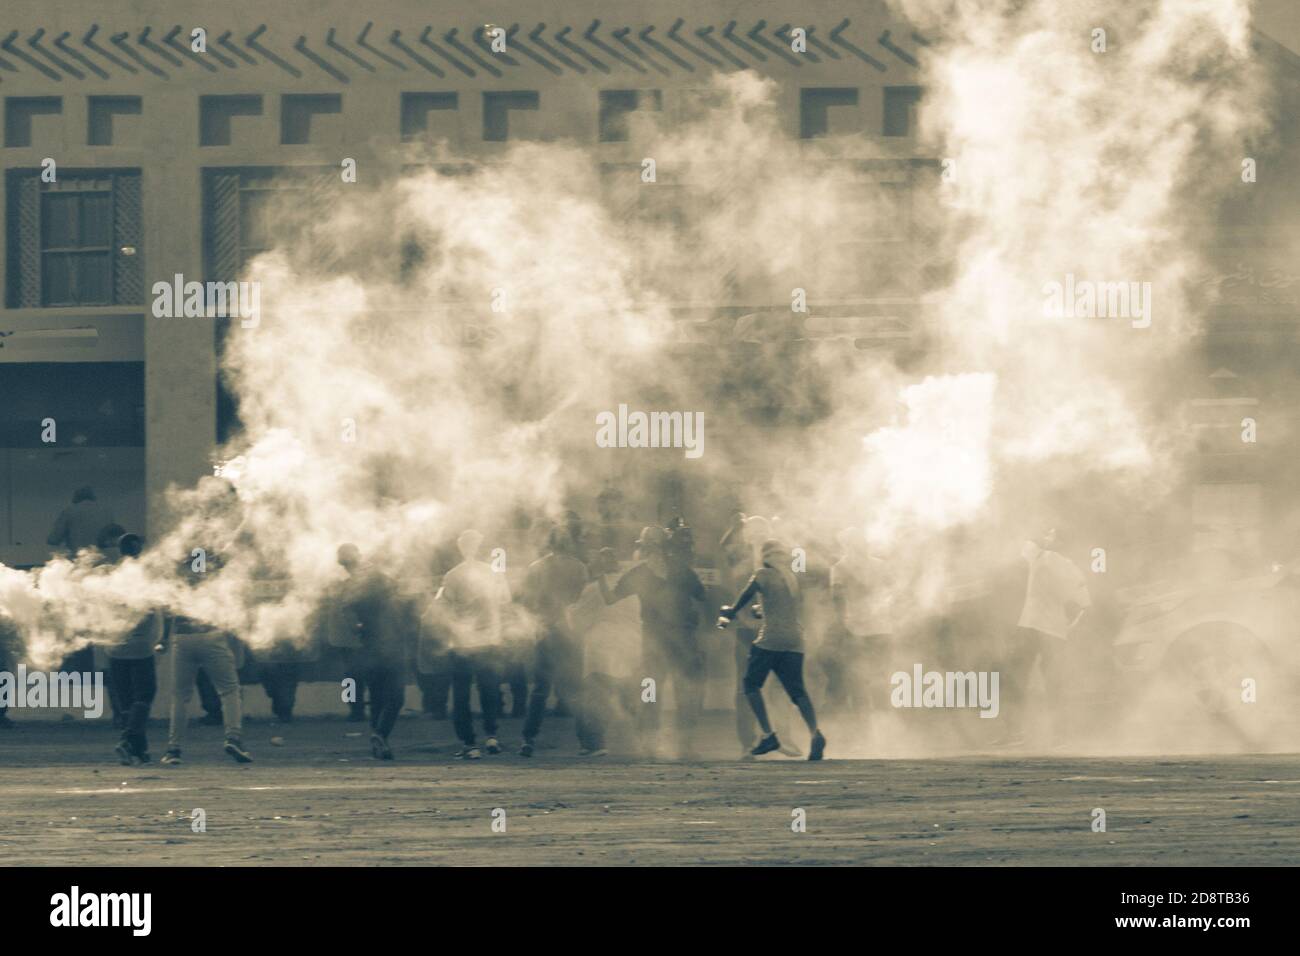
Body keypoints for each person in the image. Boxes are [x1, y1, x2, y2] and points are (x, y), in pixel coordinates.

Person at [597, 526, 708, 758]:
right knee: (683, 691)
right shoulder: (681, 570)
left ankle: (650, 742)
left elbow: (610, 599)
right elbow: (702, 596)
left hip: (656, 640)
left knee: (651, 690)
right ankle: (685, 744)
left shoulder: (639, 574)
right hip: (682, 639)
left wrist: (599, 576)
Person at [719, 538, 827, 761]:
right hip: (795, 639)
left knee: (750, 684)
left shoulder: (762, 575)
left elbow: (743, 598)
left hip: (771, 638)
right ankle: (815, 733)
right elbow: (781, 605)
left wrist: (730, 612)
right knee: (797, 691)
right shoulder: (792, 578)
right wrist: (762, 610)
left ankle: (769, 735)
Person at [1001, 528, 1090, 747]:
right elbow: (1084, 604)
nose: (1048, 538)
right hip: (1050, 630)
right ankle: (1053, 735)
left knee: (1023, 677)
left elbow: (1084, 603)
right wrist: (1072, 625)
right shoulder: (1067, 566)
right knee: (1050, 682)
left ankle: (1021, 733)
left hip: (1035, 627)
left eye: (1052, 535)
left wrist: (1073, 623)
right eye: (1048, 534)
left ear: (1059, 541)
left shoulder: (1043, 556)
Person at [160, 571, 253, 766]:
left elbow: (168, 609)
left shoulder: (177, 570)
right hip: (210, 635)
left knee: (180, 696)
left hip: (182, 637)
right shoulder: (212, 570)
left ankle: (173, 749)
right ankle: (233, 737)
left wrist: (163, 639)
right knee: (229, 690)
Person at [434, 529, 511, 759]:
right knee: (489, 690)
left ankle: (469, 743)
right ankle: (492, 736)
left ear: (460, 548)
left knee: (461, 694)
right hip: (489, 639)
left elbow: (443, 607)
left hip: (463, 641)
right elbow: (505, 600)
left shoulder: (452, 576)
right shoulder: (493, 573)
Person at [518, 526, 589, 756]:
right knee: (577, 689)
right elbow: (582, 600)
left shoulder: (536, 568)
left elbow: (526, 602)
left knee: (540, 689)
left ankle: (528, 739)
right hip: (569, 631)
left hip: (545, 631)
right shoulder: (578, 567)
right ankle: (587, 742)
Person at [337, 543, 408, 760]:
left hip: (367, 647)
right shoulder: (377, 577)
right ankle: (380, 734)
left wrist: (358, 631)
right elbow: (397, 597)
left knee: (374, 695)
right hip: (391, 645)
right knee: (395, 697)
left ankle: (374, 735)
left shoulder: (349, 587)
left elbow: (348, 620)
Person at [570, 548, 641, 755]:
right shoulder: (631, 589)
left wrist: (569, 612)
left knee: (596, 697)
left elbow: (577, 620)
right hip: (631, 647)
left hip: (602, 649)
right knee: (633, 695)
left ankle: (595, 743)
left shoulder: (593, 589)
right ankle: (638, 741)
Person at [827, 527, 894, 719]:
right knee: (867, 677)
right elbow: (837, 598)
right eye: (856, 542)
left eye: (861, 541)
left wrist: (841, 622)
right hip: (864, 628)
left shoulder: (842, 568)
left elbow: (837, 598)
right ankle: (875, 723)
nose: (860, 545)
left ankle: (877, 723)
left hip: (869, 628)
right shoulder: (842, 568)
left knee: (868, 678)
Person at [106, 533, 162, 764]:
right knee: (145, 695)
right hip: (140, 646)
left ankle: (139, 749)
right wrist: (160, 638)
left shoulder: (110, 576)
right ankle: (128, 739)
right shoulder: (147, 576)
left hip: (115, 647)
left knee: (127, 701)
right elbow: (154, 611)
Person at [46, 486, 115, 556]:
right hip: (104, 561)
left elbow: (53, 540)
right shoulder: (106, 513)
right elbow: (112, 540)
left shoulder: (69, 511)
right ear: (93, 497)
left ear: (76, 498)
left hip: (79, 560)